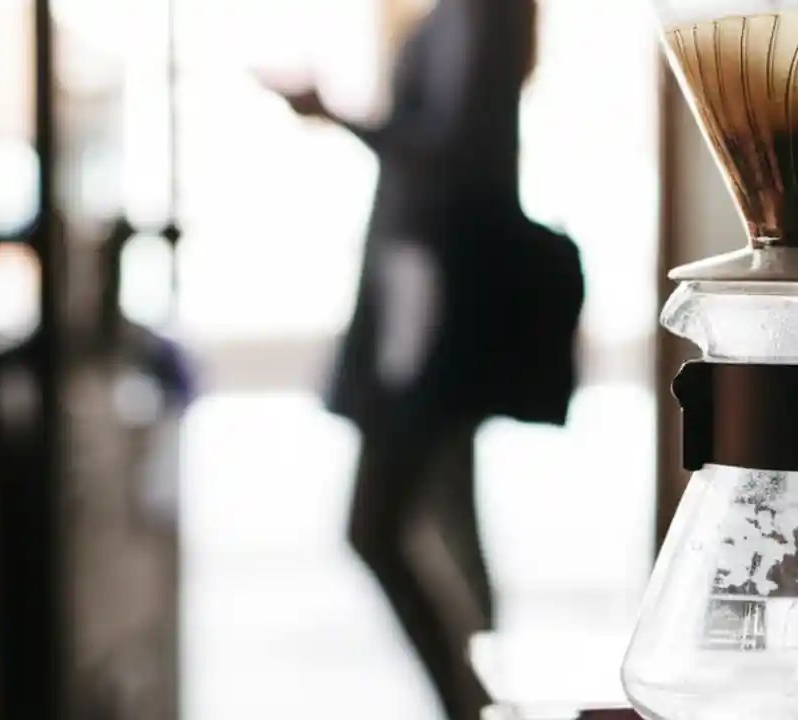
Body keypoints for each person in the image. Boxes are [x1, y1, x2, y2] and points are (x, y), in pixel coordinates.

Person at [271, 2, 584, 718]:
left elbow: (449, 156)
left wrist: (336, 114)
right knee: (449, 516)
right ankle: (484, 700)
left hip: (434, 308)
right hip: (432, 299)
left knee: (376, 525)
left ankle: (468, 702)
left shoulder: (480, 15)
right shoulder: (469, 15)